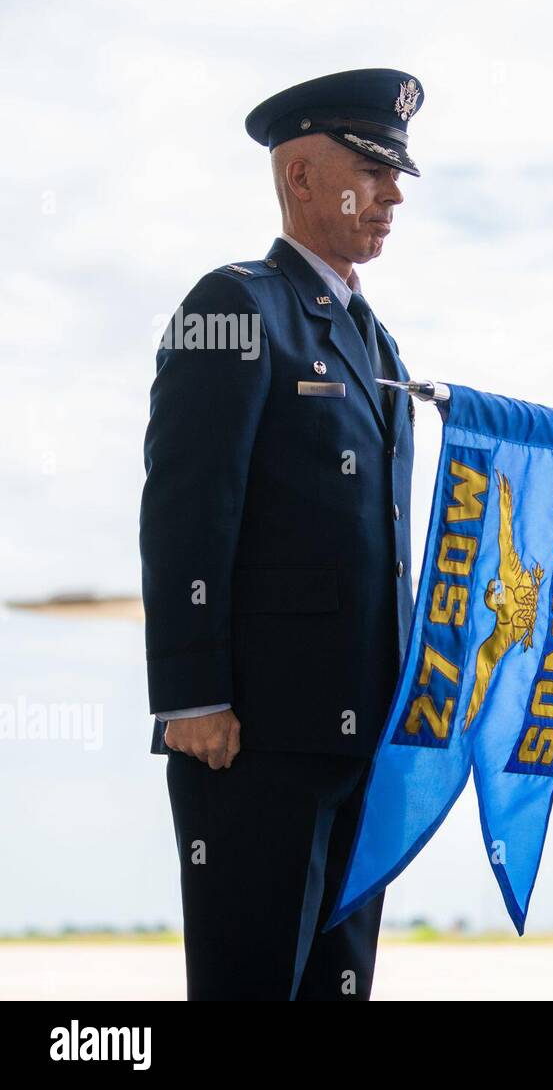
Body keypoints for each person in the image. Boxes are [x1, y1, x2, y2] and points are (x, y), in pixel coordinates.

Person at [140, 68, 424, 999]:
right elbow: (187, 507)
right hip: (253, 736)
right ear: (300, 177)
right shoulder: (235, 305)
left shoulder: (379, 347)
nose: (391, 193)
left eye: (397, 175)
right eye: (372, 169)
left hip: (361, 736)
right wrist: (192, 694)